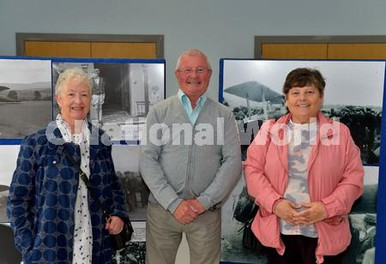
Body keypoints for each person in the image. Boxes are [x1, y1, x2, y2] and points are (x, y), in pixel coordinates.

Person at [7, 67, 127, 264]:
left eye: (84, 95)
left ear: (90, 100)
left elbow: (113, 186)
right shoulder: (36, 143)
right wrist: (29, 246)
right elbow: (17, 199)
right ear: (59, 99)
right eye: (71, 94)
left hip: (96, 249)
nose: (78, 101)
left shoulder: (101, 140)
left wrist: (118, 214)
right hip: (49, 252)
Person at [244, 68, 364, 264]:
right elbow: (252, 171)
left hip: (324, 232)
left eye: (309, 92)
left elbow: (354, 179)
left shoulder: (340, 133)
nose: (302, 98)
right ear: (286, 99)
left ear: (321, 97)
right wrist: (275, 204)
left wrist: (326, 208)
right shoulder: (268, 131)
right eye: (295, 92)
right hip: (279, 231)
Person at [139, 49, 242, 264]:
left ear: (209, 74)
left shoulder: (224, 115)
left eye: (200, 70)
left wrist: (204, 202)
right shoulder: (159, 112)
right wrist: (173, 203)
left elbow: (232, 162)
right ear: (177, 74)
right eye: (187, 70)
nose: (193, 75)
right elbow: (148, 160)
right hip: (163, 211)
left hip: (205, 213)